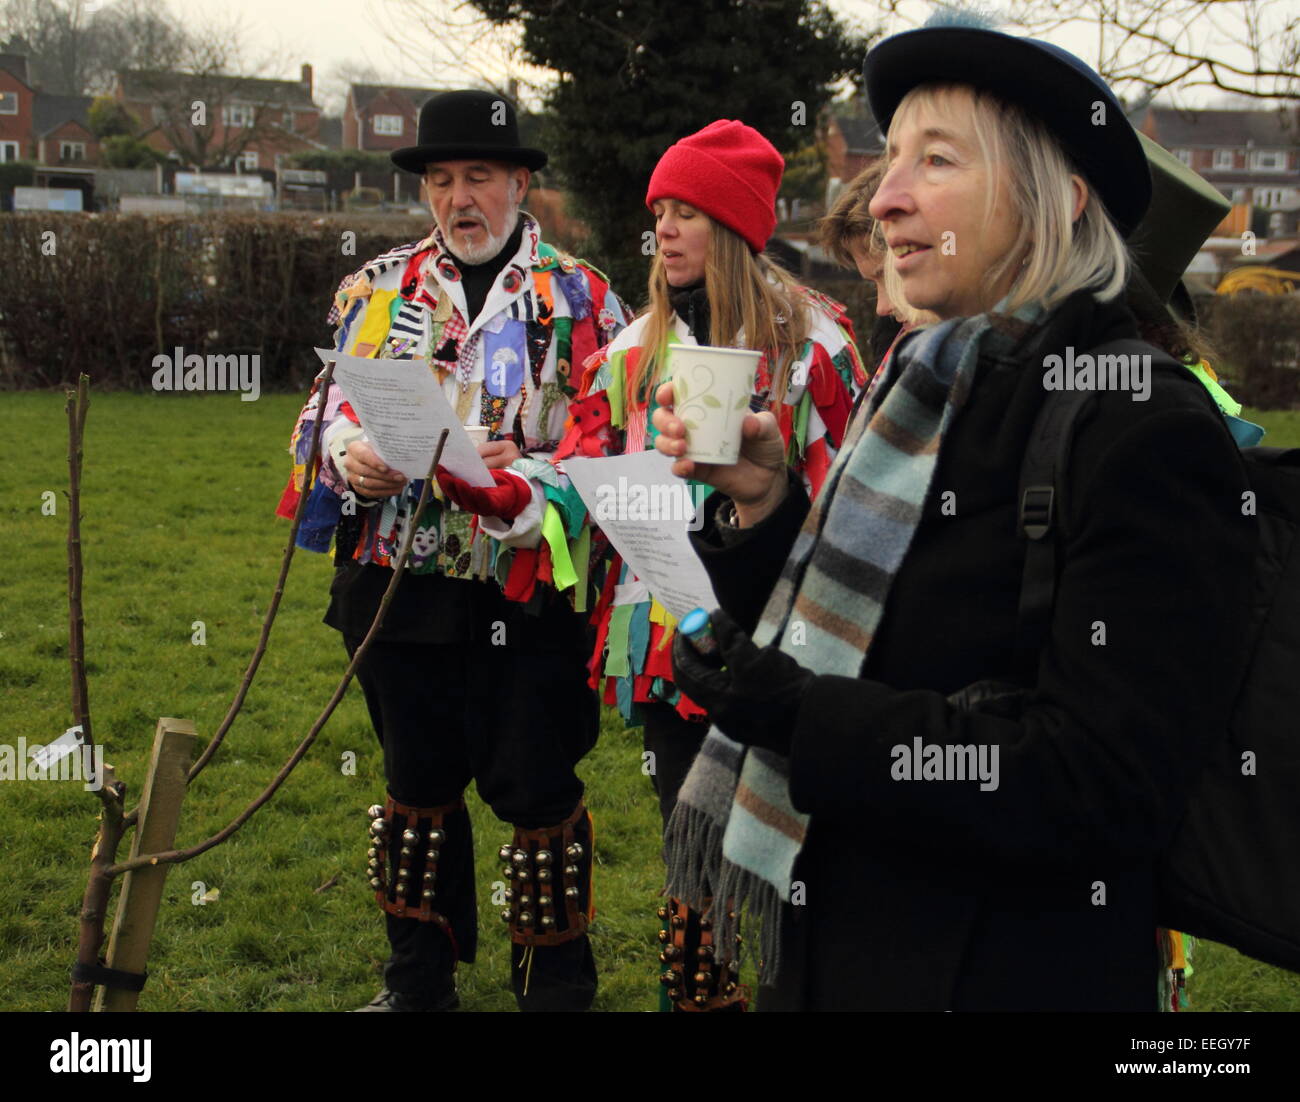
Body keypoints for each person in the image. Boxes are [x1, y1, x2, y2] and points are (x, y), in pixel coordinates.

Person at [651, 24, 1257, 1011]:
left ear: (1057, 198)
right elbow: (875, 639)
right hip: (830, 954)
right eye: (891, 160)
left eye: (935, 159)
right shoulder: (922, 385)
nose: (886, 196)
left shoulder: (1141, 425)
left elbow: (1103, 788)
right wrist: (765, 511)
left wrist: (803, 722)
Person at [452, 119, 866, 1010]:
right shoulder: (630, 353)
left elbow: (852, 504)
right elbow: (577, 474)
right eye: (660, 211)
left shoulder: (817, 347)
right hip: (678, 645)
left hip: (794, 650)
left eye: (690, 211)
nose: (665, 230)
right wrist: (514, 500)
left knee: (801, 860)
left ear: (739, 227)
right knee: (697, 858)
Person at [275, 90, 631, 1012]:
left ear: (521, 184)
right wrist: (347, 455)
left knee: (536, 785)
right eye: (441, 179)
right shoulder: (375, 287)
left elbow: (620, 439)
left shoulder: (586, 297)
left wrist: (540, 467)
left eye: (480, 176)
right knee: (413, 784)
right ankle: (416, 987)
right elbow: (322, 410)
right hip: (399, 583)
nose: (459, 197)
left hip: (526, 588)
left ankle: (555, 990)